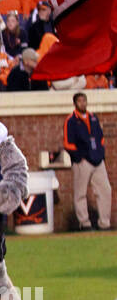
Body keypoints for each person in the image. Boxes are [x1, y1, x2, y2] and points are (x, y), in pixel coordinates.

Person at [63, 92, 112, 231]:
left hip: (97, 160)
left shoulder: (93, 118)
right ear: (75, 103)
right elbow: (68, 143)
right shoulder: (71, 120)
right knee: (80, 193)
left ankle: (105, 222)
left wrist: (101, 154)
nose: (83, 103)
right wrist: (79, 157)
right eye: (80, 101)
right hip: (82, 162)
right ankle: (84, 223)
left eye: (84, 100)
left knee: (105, 190)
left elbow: (100, 138)